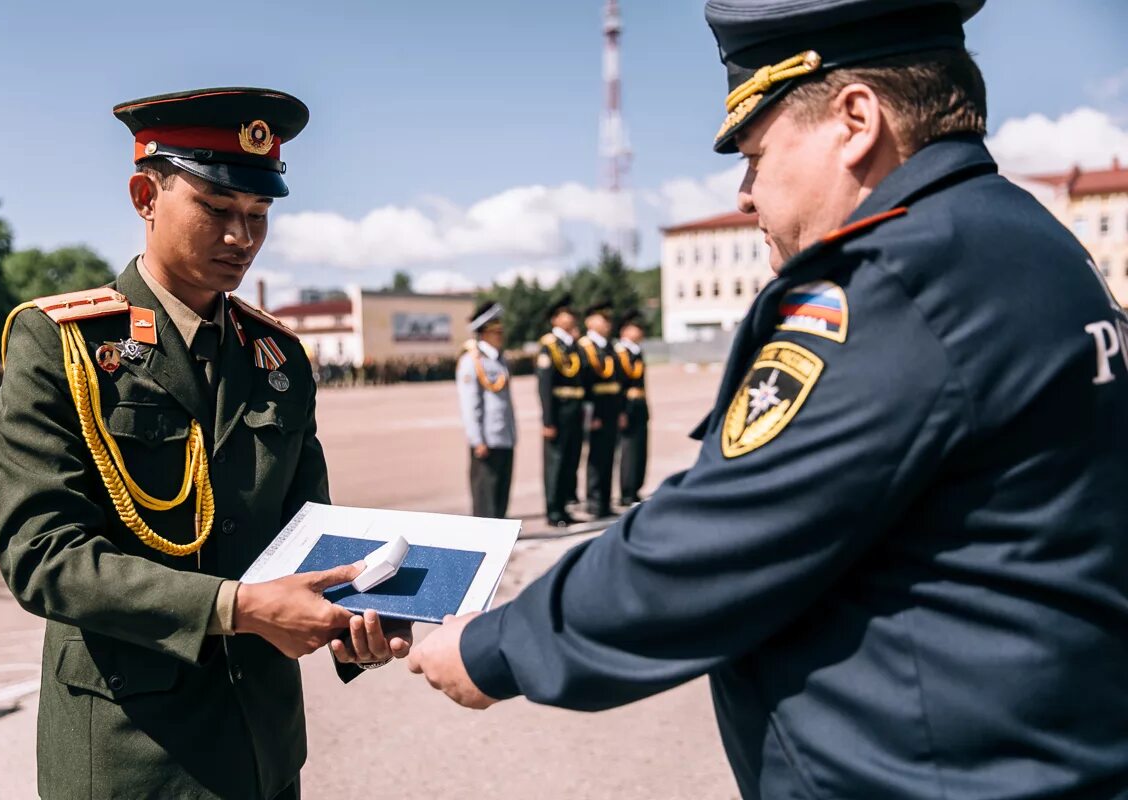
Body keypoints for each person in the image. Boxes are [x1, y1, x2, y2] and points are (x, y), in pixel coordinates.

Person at [408, 1, 1128, 796]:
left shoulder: (894, 282)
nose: (746, 192)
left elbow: (716, 540)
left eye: (756, 152)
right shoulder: (1028, 241)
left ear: (856, 120)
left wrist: (492, 646)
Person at [0, 87, 410, 800]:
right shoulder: (61, 344)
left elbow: (311, 533)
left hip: (263, 747)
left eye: (257, 216)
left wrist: (355, 625)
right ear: (144, 196)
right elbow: (42, 555)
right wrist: (237, 608)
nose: (241, 238)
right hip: (134, 752)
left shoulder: (277, 359)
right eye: (216, 211)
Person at [456, 301, 517, 518]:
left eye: (501, 331)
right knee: (485, 494)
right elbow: (470, 405)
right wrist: (477, 440)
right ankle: (485, 537)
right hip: (486, 440)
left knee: (501, 492)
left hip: (504, 436)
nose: (500, 336)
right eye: (495, 332)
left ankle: (500, 532)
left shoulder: (501, 360)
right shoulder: (471, 361)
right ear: (483, 334)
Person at [536, 295, 584, 527]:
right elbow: (545, 386)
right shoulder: (549, 345)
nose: (570, 317)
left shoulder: (573, 345)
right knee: (555, 463)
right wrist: (548, 420)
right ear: (555, 319)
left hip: (575, 412)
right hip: (558, 412)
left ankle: (564, 507)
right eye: (565, 313)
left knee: (570, 462)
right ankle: (553, 510)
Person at [577, 300, 622, 519]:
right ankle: (594, 501)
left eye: (608, 320)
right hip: (595, 410)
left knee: (609, 456)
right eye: (603, 319)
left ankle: (605, 501)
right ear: (590, 321)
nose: (607, 324)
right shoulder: (585, 347)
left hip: (611, 409)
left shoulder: (609, 346)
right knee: (596, 459)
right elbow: (583, 385)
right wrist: (589, 415)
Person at [614, 308, 648, 506]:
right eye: (636, 328)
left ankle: (635, 489)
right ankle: (626, 492)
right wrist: (621, 411)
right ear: (625, 330)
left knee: (640, 449)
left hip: (640, 406)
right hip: (627, 406)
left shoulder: (636, 351)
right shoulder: (621, 353)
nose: (640, 331)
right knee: (629, 451)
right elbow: (619, 386)